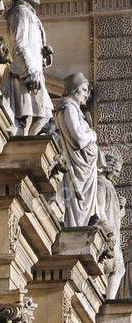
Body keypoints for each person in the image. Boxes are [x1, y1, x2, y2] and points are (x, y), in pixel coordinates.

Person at [3, 0, 54, 136]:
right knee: (43, 115)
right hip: (25, 73)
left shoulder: (29, 15)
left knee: (44, 116)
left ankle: (27, 142)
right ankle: (26, 144)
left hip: (32, 72)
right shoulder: (20, 12)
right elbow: (20, 43)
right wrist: (31, 70)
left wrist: (44, 56)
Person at [54, 73, 99, 228]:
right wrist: (92, 136)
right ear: (74, 90)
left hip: (83, 166)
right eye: (84, 90)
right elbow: (79, 138)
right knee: (75, 201)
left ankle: (82, 224)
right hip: (76, 165)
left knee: (78, 201)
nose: (86, 94)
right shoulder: (69, 108)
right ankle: (76, 226)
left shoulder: (74, 110)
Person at [96, 147, 127, 298]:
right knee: (116, 267)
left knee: (119, 268)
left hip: (113, 231)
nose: (117, 174)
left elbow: (115, 214)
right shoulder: (100, 184)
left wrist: (120, 208)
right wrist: (106, 228)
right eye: (117, 170)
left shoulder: (109, 186)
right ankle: (109, 299)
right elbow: (99, 207)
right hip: (108, 230)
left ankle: (109, 298)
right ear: (109, 168)